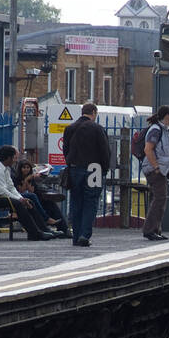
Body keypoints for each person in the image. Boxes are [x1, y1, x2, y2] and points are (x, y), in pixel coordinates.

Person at [0, 145, 59, 240]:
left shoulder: (5, 168)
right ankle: (35, 233)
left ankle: (44, 230)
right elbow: (2, 190)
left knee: (29, 200)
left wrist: (21, 198)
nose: (15, 160)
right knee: (18, 204)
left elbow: (11, 187)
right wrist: (20, 200)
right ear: (8, 158)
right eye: (14, 157)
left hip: (1, 196)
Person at [61, 101, 111, 247]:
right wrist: (105, 169)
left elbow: (66, 150)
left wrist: (71, 163)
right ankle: (85, 235)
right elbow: (105, 151)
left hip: (75, 168)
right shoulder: (97, 128)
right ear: (94, 113)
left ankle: (76, 236)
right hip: (94, 169)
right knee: (91, 202)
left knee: (76, 202)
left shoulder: (70, 128)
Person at [141, 105, 169, 241]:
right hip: (155, 170)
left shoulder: (164, 130)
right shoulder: (156, 130)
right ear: (167, 116)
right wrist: (156, 167)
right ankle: (150, 230)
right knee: (160, 199)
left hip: (161, 170)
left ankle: (156, 230)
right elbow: (148, 149)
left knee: (159, 199)